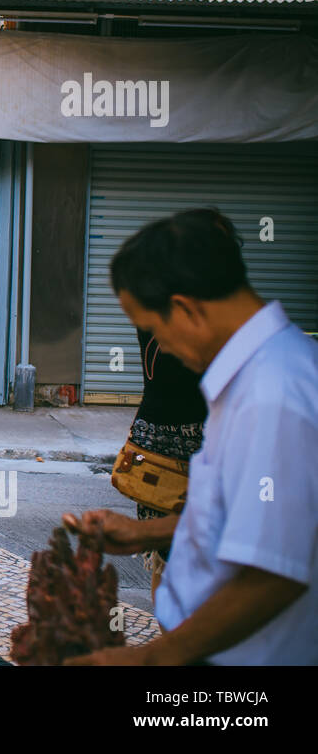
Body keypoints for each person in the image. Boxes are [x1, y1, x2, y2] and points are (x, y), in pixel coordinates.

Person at [63, 208, 317, 665]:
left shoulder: (270, 394)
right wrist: (146, 533)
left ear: (184, 309)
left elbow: (274, 573)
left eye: (156, 331)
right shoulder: (253, 376)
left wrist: (152, 659)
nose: (160, 351)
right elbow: (244, 516)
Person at [125, 324, 207, 599]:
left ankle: (175, 633)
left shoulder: (148, 314)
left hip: (152, 436)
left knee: (166, 557)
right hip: (188, 439)